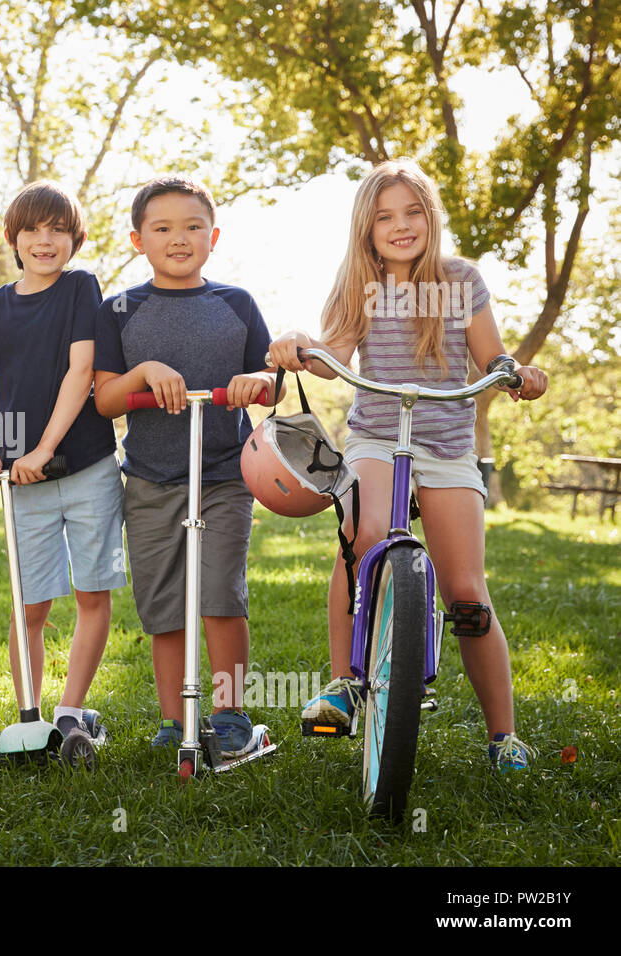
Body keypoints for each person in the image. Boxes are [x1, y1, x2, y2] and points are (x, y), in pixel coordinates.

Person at [268, 158, 548, 772]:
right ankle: (344, 682)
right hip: (376, 434)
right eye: (384, 216)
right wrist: (301, 346)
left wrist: (519, 375)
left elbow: (491, 359)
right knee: (360, 535)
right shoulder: (357, 285)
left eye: (413, 212)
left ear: (431, 218)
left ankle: (503, 737)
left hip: (447, 443)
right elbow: (333, 353)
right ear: (366, 228)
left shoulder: (461, 279)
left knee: (467, 594)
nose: (400, 225)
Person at [93, 176, 279, 754]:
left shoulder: (237, 304)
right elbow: (104, 399)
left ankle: (229, 714)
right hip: (149, 478)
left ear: (214, 236)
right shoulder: (120, 309)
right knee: (164, 604)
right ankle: (175, 721)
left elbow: (269, 383)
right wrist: (145, 369)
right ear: (137, 239)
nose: (180, 238)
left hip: (225, 473)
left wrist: (258, 382)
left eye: (193, 226)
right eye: (163, 228)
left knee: (222, 595)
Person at [0, 180, 126, 741]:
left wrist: (44, 449)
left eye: (58, 230)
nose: (44, 240)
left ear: (75, 239)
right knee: (30, 605)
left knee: (91, 592)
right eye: (32, 229)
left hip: (87, 467)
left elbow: (81, 374)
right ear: (13, 237)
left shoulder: (81, 289)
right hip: (21, 479)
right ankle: (30, 716)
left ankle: (70, 711)